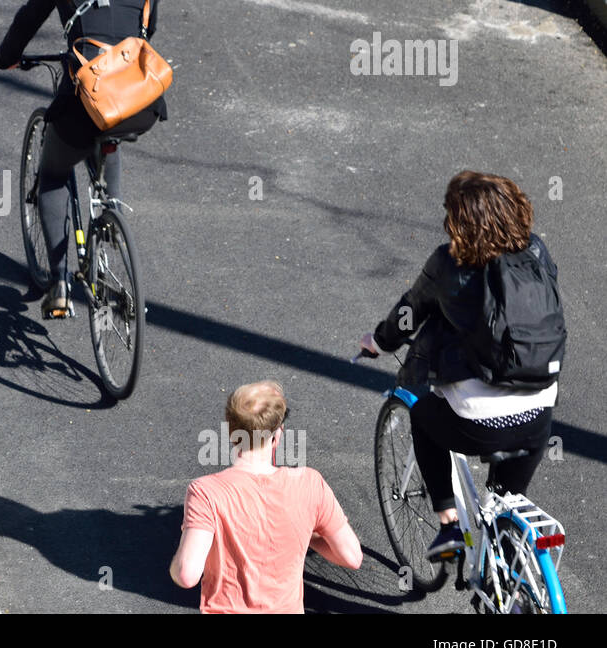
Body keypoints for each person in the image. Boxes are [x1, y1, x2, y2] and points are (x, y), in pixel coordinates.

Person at [360, 171, 561, 561]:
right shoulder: (537, 252)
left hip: (477, 422)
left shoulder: (448, 263)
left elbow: (409, 314)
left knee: (422, 418)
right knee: (504, 508)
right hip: (539, 410)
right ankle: (513, 574)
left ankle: (450, 525)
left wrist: (379, 341)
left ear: (460, 222)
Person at [0, 0, 168, 317]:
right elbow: (146, 32)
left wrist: (6, 58)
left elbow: (25, 23)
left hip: (83, 100)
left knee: (52, 174)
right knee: (112, 130)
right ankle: (110, 227)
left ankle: (60, 282)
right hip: (139, 102)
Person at [170, 381, 362, 613]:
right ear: (278, 434)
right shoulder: (311, 484)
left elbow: (186, 575)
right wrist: (307, 535)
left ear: (232, 433)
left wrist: (177, 560)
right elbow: (352, 557)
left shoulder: (206, 492)